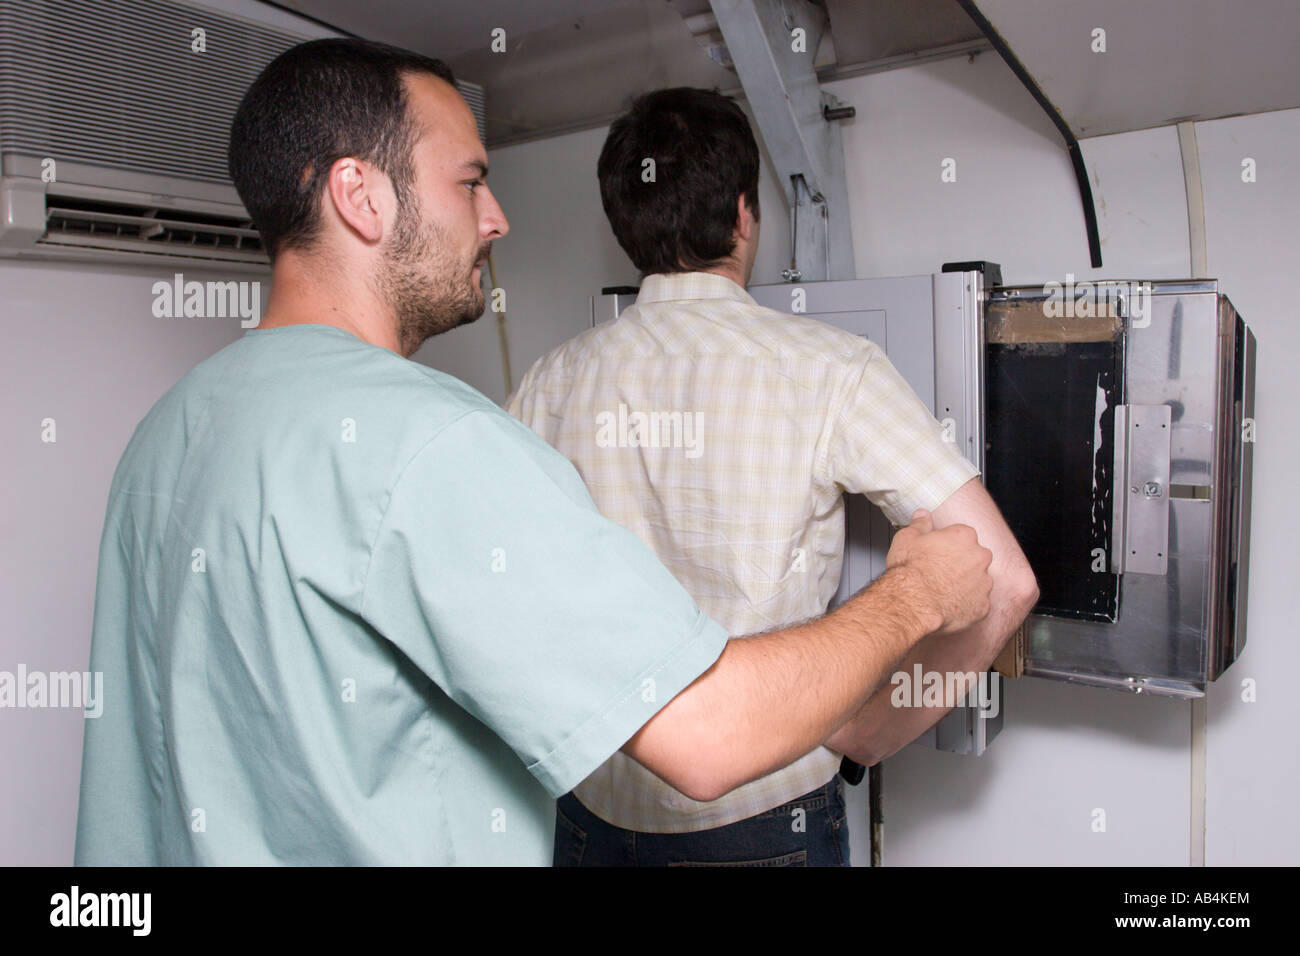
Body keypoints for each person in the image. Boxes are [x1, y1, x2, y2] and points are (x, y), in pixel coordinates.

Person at [74, 41, 994, 866]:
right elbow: (706, 736)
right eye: (470, 182)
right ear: (360, 196)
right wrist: (915, 597)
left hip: (589, 809)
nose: (498, 218)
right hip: (757, 806)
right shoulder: (432, 442)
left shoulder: (167, 433)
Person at [507, 87, 1038, 866]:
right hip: (768, 821)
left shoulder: (545, 385)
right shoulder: (831, 370)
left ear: (629, 226)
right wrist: (866, 735)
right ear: (745, 214)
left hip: (593, 813)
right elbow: (1009, 582)